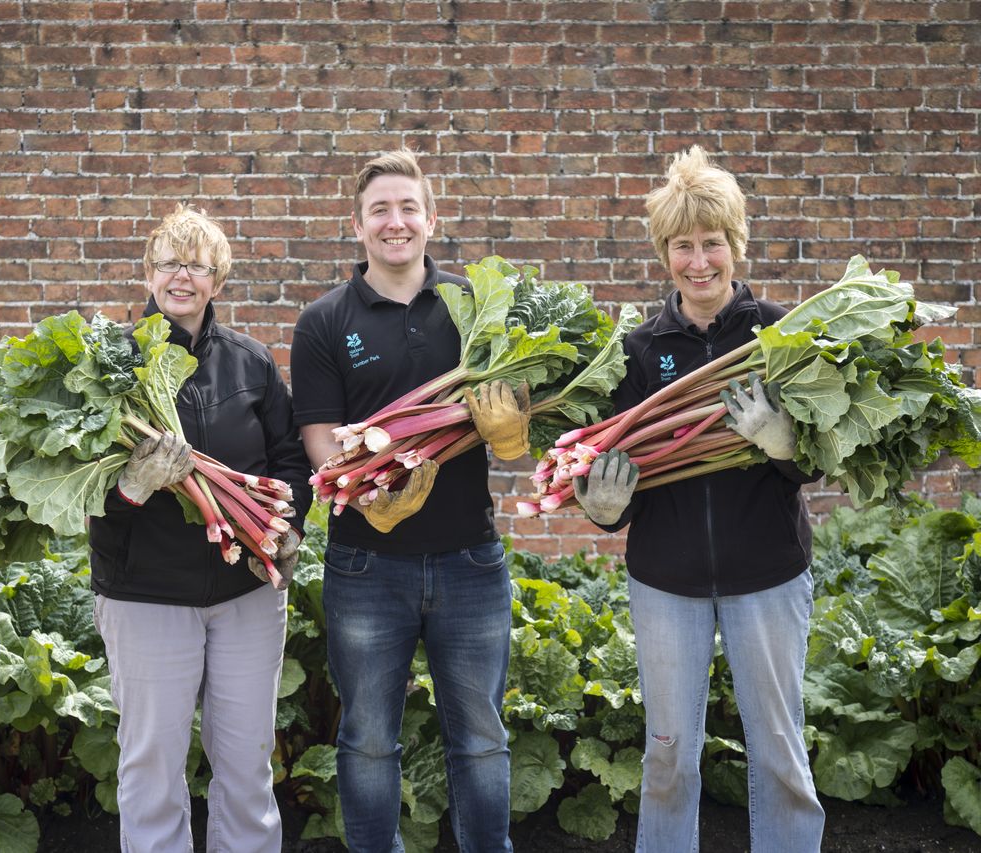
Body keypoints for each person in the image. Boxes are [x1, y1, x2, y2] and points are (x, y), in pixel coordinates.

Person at [574, 145, 826, 851]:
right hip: (667, 580)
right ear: (665, 252)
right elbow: (611, 469)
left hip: (770, 574)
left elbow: (817, 460)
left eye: (712, 243)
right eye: (682, 246)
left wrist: (783, 443)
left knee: (780, 749)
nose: (699, 262)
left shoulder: (782, 338)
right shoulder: (635, 350)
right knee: (667, 755)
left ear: (734, 244)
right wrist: (603, 508)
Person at [289, 148, 527, 852]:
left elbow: (514, 443)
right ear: (357, 227)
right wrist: (366, 499)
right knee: (366, 740)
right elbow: (320, 441)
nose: (396, 222)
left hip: (469, 561)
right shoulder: (323, 322)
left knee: (482, 739)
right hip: (367, 565)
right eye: (380, 211)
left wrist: (511, 435)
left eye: (408, 208)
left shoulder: (475, 309)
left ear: (432, 219)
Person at [89, 204, 312, 853]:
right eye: (168, 262)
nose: (180, 275)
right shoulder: (112, 369)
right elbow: (86, 497)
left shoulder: (250, 363)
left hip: (246, 590)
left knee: (246, 767)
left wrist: (286, 522)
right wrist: (130, 487)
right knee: (153, 770)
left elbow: (292, 459)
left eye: (195, 263)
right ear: (148, 274)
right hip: (144, 596)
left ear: (218, 277)